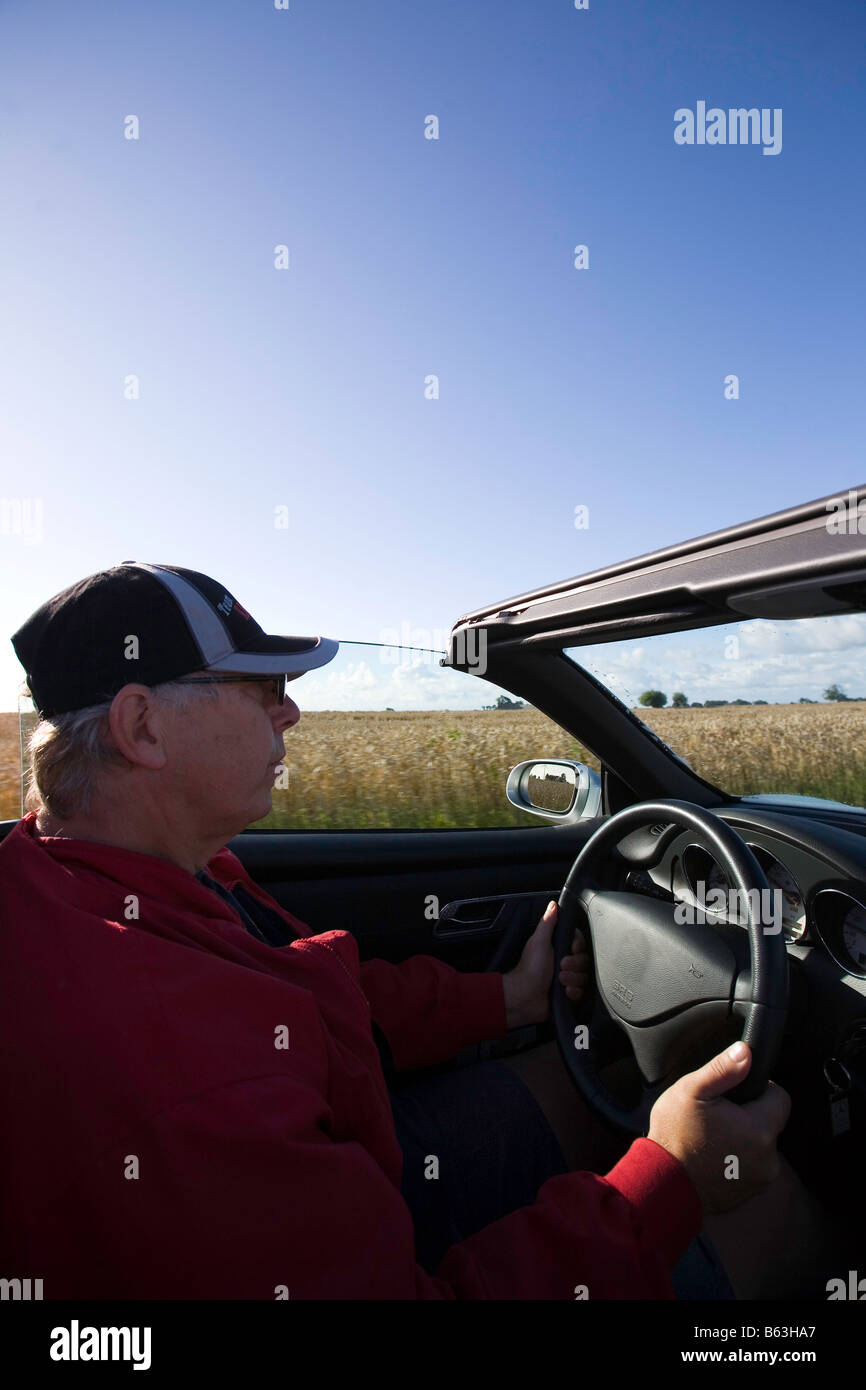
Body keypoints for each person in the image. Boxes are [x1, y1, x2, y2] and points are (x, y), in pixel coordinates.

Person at [0, 561, 830, 1299]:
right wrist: (673, 1181)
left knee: (591, 1085)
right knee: (755, 1198)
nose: (290, 711)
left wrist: (506, 997)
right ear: (143, 727)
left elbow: (305, 995)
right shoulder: (165, 1062)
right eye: (261, 687)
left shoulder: (128, 869)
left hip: (343, 1162)